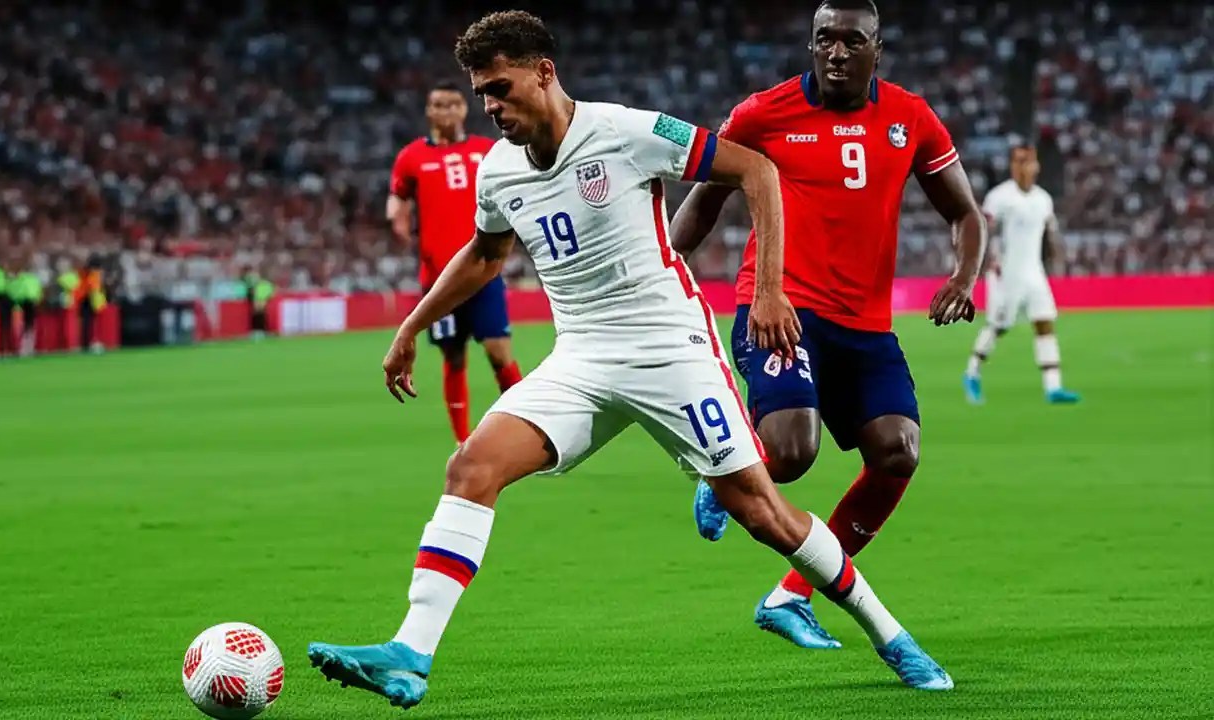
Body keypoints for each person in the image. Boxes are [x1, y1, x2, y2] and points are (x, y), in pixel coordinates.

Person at [307, 10, 953, 709]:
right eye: (481, 92)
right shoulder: (497, 172)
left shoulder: (627, 131)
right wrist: (412, 325)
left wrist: (768, 290)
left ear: (544, 73)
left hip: (669, 352)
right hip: (580, 360)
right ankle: (410, 654)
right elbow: (487, 254)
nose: (489, 107)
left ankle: (892, 637)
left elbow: (757, 170)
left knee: (763, 512)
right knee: (471, 466)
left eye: (500, 88)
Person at [673, 0, 986, 650]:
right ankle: (723, 474)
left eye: (851, 40)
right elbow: (703, 204)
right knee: (790, 453)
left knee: (899, 453)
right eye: (824, 39)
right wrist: (662, 278)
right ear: (810, 44)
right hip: (782, 310)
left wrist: (962, 277)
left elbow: (965, 213)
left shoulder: (911, 117)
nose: (836, 52)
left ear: (878, 47)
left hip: (866, 328)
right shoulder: (763, 113)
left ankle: (793, 596)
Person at [389, 80, 523, 445]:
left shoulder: (488, 151)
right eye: (437, 105)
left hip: (483, 273)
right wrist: (397, 219)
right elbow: (397, 198)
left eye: (452, 104)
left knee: (499, 353)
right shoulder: (411, 157)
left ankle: (529, 426)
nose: (445, 111)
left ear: (464, 109)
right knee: (454, 356)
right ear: (429, 111)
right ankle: (463, 441)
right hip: (438, 279)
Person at [965, 145, 1080, 404]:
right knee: (999, 325)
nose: (1023, 166)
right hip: (1008, 272)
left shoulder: (1043, 199)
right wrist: (982, 263)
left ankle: (1053, 388)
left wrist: (1059, 258)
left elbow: (1050, 233)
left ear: (1036, 165)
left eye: (1027, 161)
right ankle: (972, 372)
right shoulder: (1000, 197)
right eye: (1018, 161)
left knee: (1045, 322)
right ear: (1012, 166)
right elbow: (985, 230)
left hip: (1034, 272)